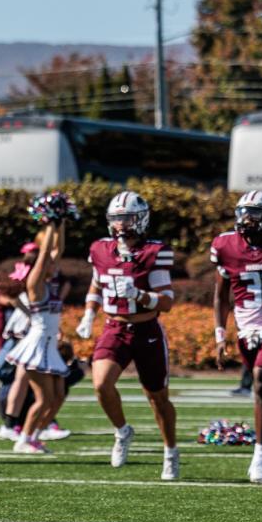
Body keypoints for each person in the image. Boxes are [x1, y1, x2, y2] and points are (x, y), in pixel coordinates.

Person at [76, 191, 180, 480]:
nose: (121, 224)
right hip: (114, 328)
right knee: (100, 384)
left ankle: (170, 451)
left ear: (142, 219)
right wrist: (88, 314)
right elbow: (96, 286)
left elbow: (167, 302)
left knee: (157, 398)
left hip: (147, 330)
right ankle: (122, 431)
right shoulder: (100, 249)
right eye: (116, 219)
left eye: (127, 218)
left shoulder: (154, 252)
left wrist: (139, 295)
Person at [211, 190, 262, 481]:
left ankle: (260, 454)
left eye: (255, 213)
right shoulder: (225, 245)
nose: (247, 219)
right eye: (244, 212)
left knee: (261, 377)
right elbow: (220, 296)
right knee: (261, 390)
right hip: (246, 326)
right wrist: (220, 336)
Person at [5, 221, 68, 454]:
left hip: (50, 344)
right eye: (49, 263)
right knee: (44, 399)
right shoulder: (35, 284)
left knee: (58, 397)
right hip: (37, 345)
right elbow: (45, 254)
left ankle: (34, 434)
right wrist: (49, 227)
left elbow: (57, 250)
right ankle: (23, 439)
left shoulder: (50, 282)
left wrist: (60, 224)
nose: (54, 263)